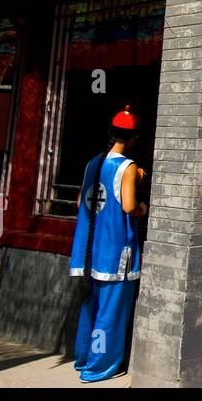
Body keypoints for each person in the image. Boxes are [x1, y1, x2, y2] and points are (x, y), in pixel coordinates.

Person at [69, 105, 148, 382]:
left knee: (90, 307)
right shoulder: (127, 167)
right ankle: (98, 367)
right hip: (116, 252)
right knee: (110, 313)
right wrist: (143, 207)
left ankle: (83, 358)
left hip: (89, 251)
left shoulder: (92, 163)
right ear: (134, 138)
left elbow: (81, 202)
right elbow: (128, 205)